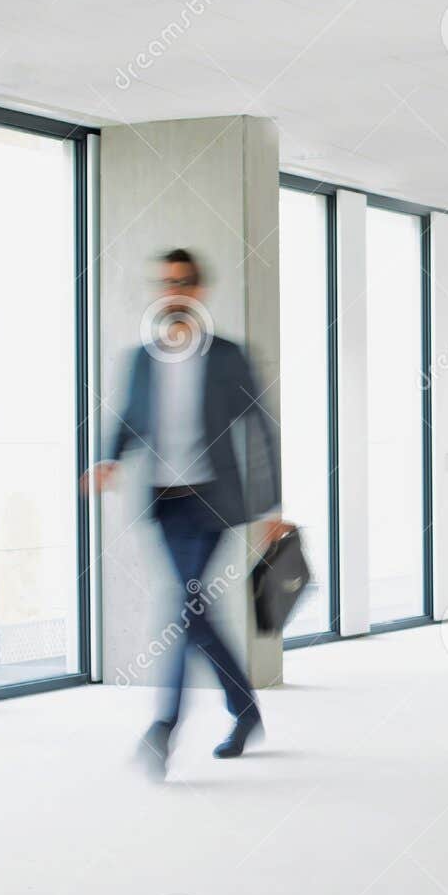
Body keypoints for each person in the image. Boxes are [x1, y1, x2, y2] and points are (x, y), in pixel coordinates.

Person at [84, 248, 292, 779]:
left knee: (184, 608)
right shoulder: (142, 359)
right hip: (163, 505)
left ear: (198, 291)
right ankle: (244, 710)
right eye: (164, 283)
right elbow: (130, 417)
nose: (172, 291)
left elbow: (261, 430)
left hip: (213, 501)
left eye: (181, 282)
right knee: (194, 614)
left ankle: (164, 727)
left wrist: (270, 506)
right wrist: (109, 459)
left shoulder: (227, 357)